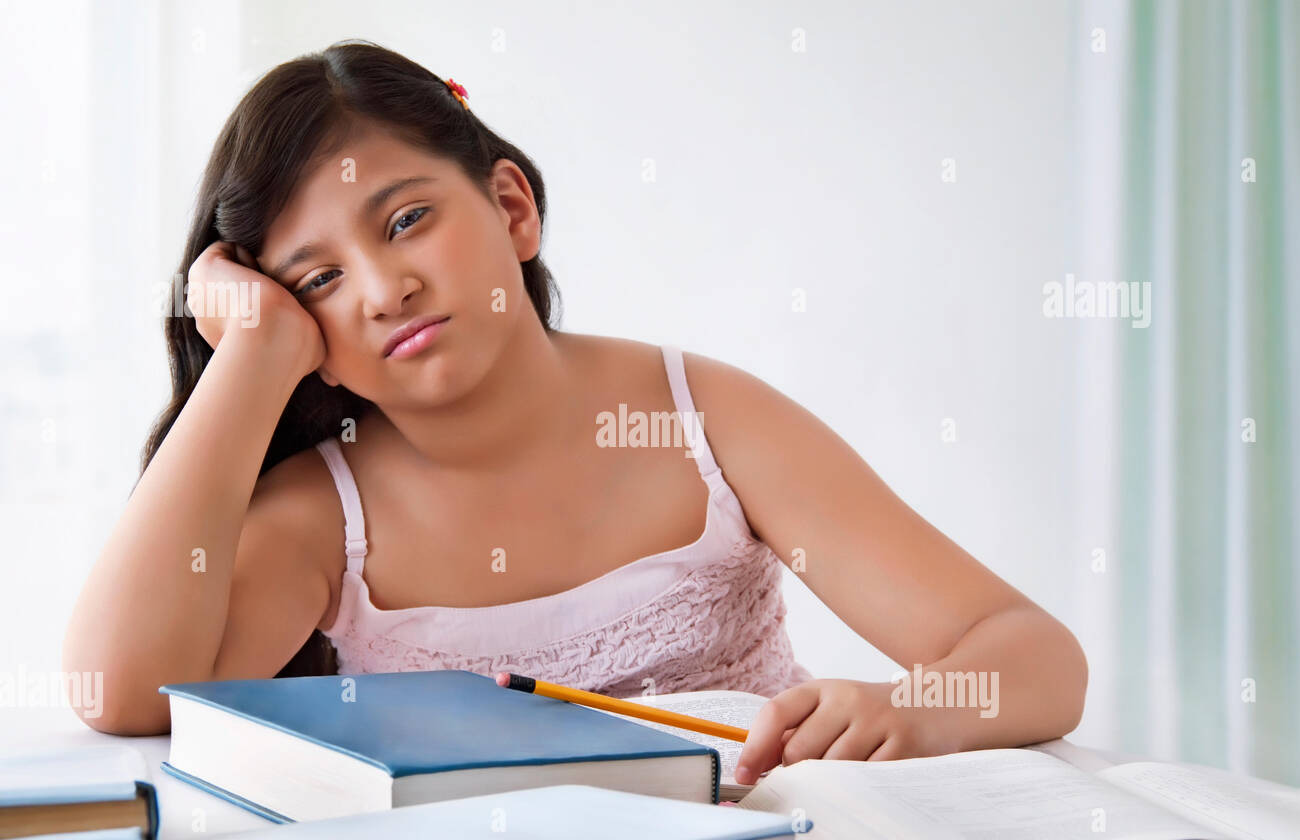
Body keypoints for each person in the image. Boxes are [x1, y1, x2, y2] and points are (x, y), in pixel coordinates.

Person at [62, 40, 1087, 786]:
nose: (382, 288)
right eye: (318, 279)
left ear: (511, 207)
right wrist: (252, 353)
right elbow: (121, 686)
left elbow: (1033, 655)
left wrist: (913, 707)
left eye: (407, 219)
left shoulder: (703, 419)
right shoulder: (326, 514)